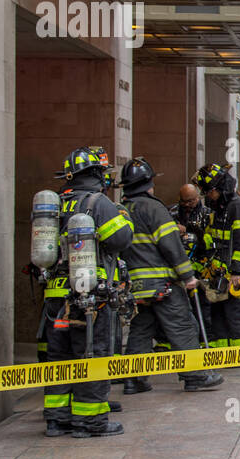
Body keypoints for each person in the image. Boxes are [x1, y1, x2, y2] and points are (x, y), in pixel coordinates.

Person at [41, 147, 133, 437]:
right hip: (90, 298)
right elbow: (120, 239)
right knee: (92, 355)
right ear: (97, 175)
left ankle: (57, 419)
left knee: (59, 357)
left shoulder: (56, 203)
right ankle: (90, 421)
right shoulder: (99, 202)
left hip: (56, 297)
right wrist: (124, 217)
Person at [118, 158, 223, 392]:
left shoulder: (124, 209)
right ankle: (195, 375)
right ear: (147, 183)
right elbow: (171, 246)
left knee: (141, 329)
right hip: (162, 284)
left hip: (137, 286)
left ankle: (133, 381)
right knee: (183, 326)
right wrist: (188, 276)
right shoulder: (153, 208)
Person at [192, 163, 240, 350]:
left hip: (235, 271)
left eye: (209, 191)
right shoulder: (221, 207)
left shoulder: (238, 207)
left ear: (219, 187)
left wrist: (236, 272)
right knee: (217, 310)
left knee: (235, 310)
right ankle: (222, 351)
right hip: (219, 269)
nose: (208, 196)